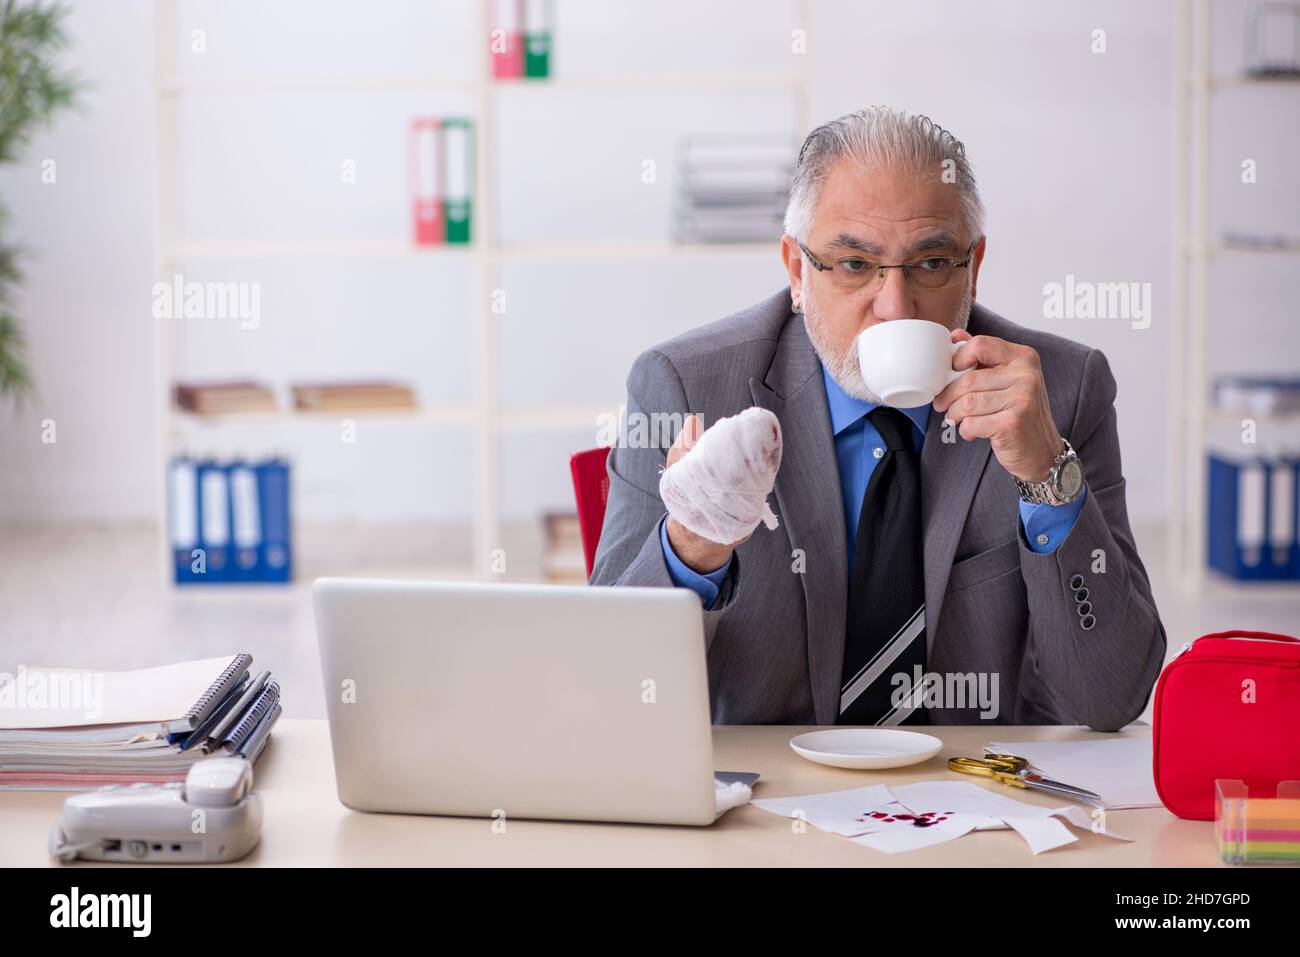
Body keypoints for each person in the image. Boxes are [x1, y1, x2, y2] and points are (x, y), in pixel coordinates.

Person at [590, 106, 1165, 730]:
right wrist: (693, 547)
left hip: (972, 799)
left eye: (930, 263)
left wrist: (1046, 476)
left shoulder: (1058, 391)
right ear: (796, 272)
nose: (894, 305)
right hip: (766, 805)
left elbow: (1110, 697)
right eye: (855, 265)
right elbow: (608, 694)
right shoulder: (687, 386)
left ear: (972, 268)